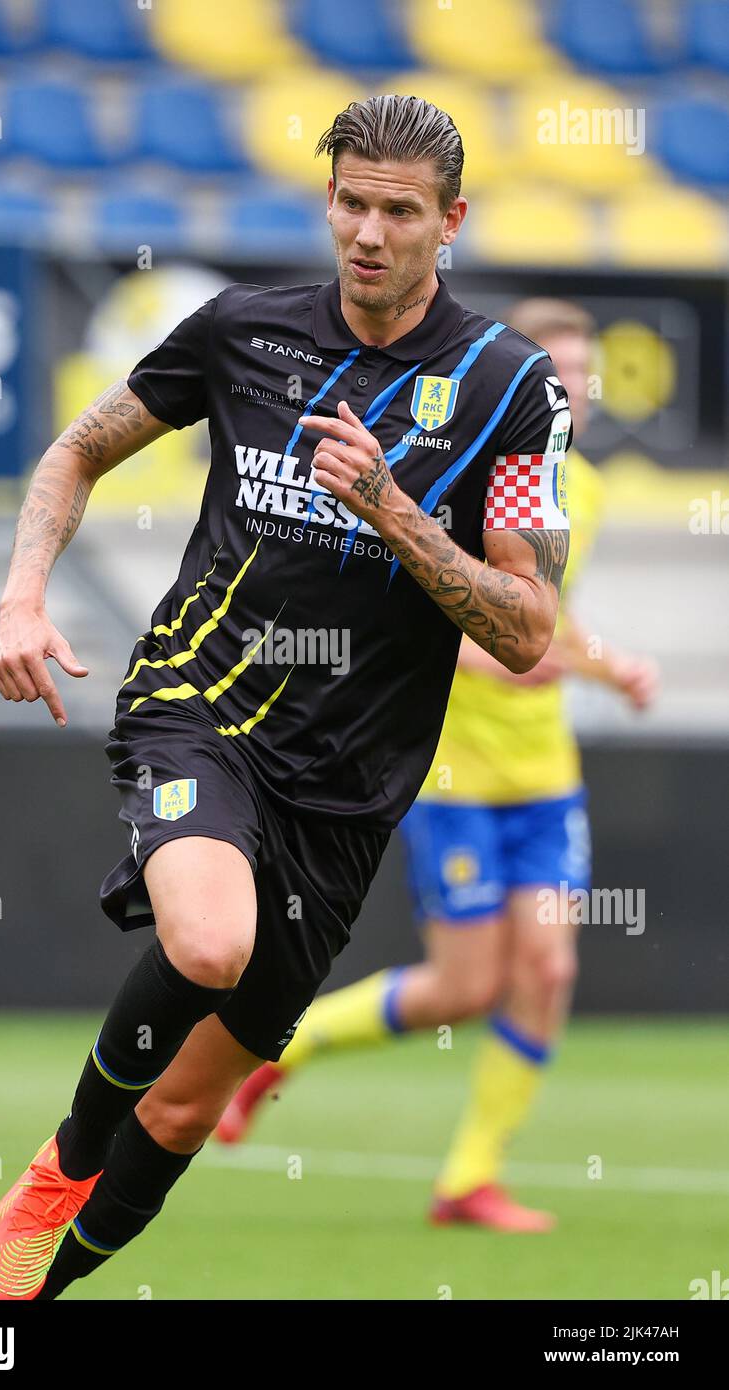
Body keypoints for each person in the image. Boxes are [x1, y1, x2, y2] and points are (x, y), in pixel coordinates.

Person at [0, 94, 575, 1300]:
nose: (366, 232)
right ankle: (61, 1160)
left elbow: (524, 628)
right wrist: (23, 598)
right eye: (349, 203)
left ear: (449, 222)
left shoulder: (512, 388)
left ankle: (31, 1298)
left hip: (346, 791)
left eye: (398, 212)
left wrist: (393, 510)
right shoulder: (243, 328)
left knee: (190, 1103)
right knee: (207, 938)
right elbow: (75, 449)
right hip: (202, 702)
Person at [217, 299, 657, 1233]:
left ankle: (468, 1178)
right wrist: (551, 659)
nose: (569, 387)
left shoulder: (592, 490)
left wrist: (605, 664)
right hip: (454, 770)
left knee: (546, 967)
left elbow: (544, 616)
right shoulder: (462, 466)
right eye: (557, 369)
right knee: (463, 988)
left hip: (545, 777)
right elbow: (454, 617)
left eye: (582, 374)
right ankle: (274, 1052)